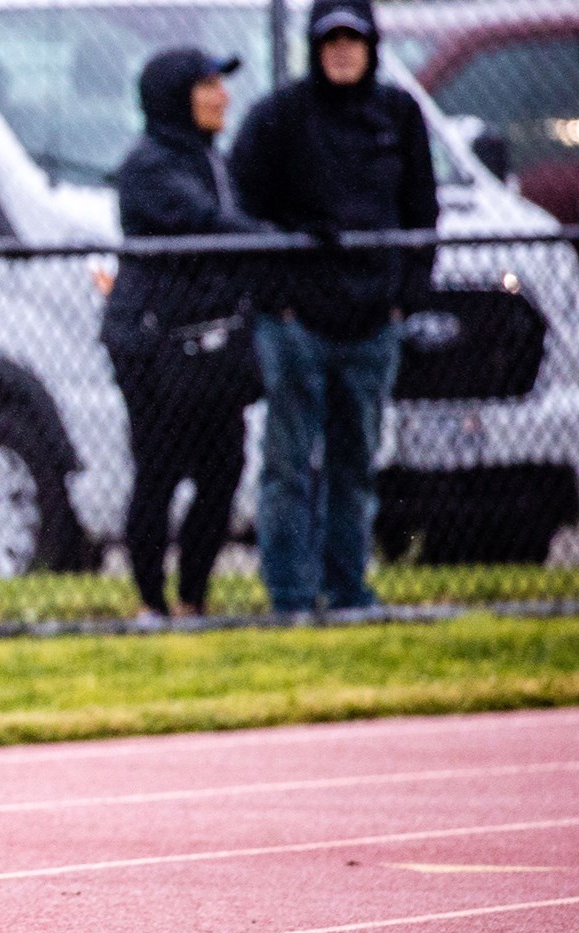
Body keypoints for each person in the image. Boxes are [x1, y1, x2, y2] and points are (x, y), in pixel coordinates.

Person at [230, 0, 438, 613]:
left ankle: (349, 590)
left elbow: (422, 211)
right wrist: (278, 301)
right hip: (298, 324)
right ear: (314, 48)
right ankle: (291, 595)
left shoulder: (398, 115)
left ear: (372, 46)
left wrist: (404, 298)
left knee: (356, 465)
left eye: (354, 40)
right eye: (332, 42)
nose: (343, 52)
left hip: (373, 323)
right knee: (289, 466)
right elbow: (242, 214)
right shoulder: (279, 117)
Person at [102, 49, 269, 619]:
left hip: (214, 346)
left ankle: (193, 599)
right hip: (153, 347)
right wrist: (278, 239)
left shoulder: (213, 159)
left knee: (223, 473)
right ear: (176, 97)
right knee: (159, 471)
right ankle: (152, 604)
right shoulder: (149, 166)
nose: (223, 96)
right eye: (208, 85)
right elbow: (207, 224)